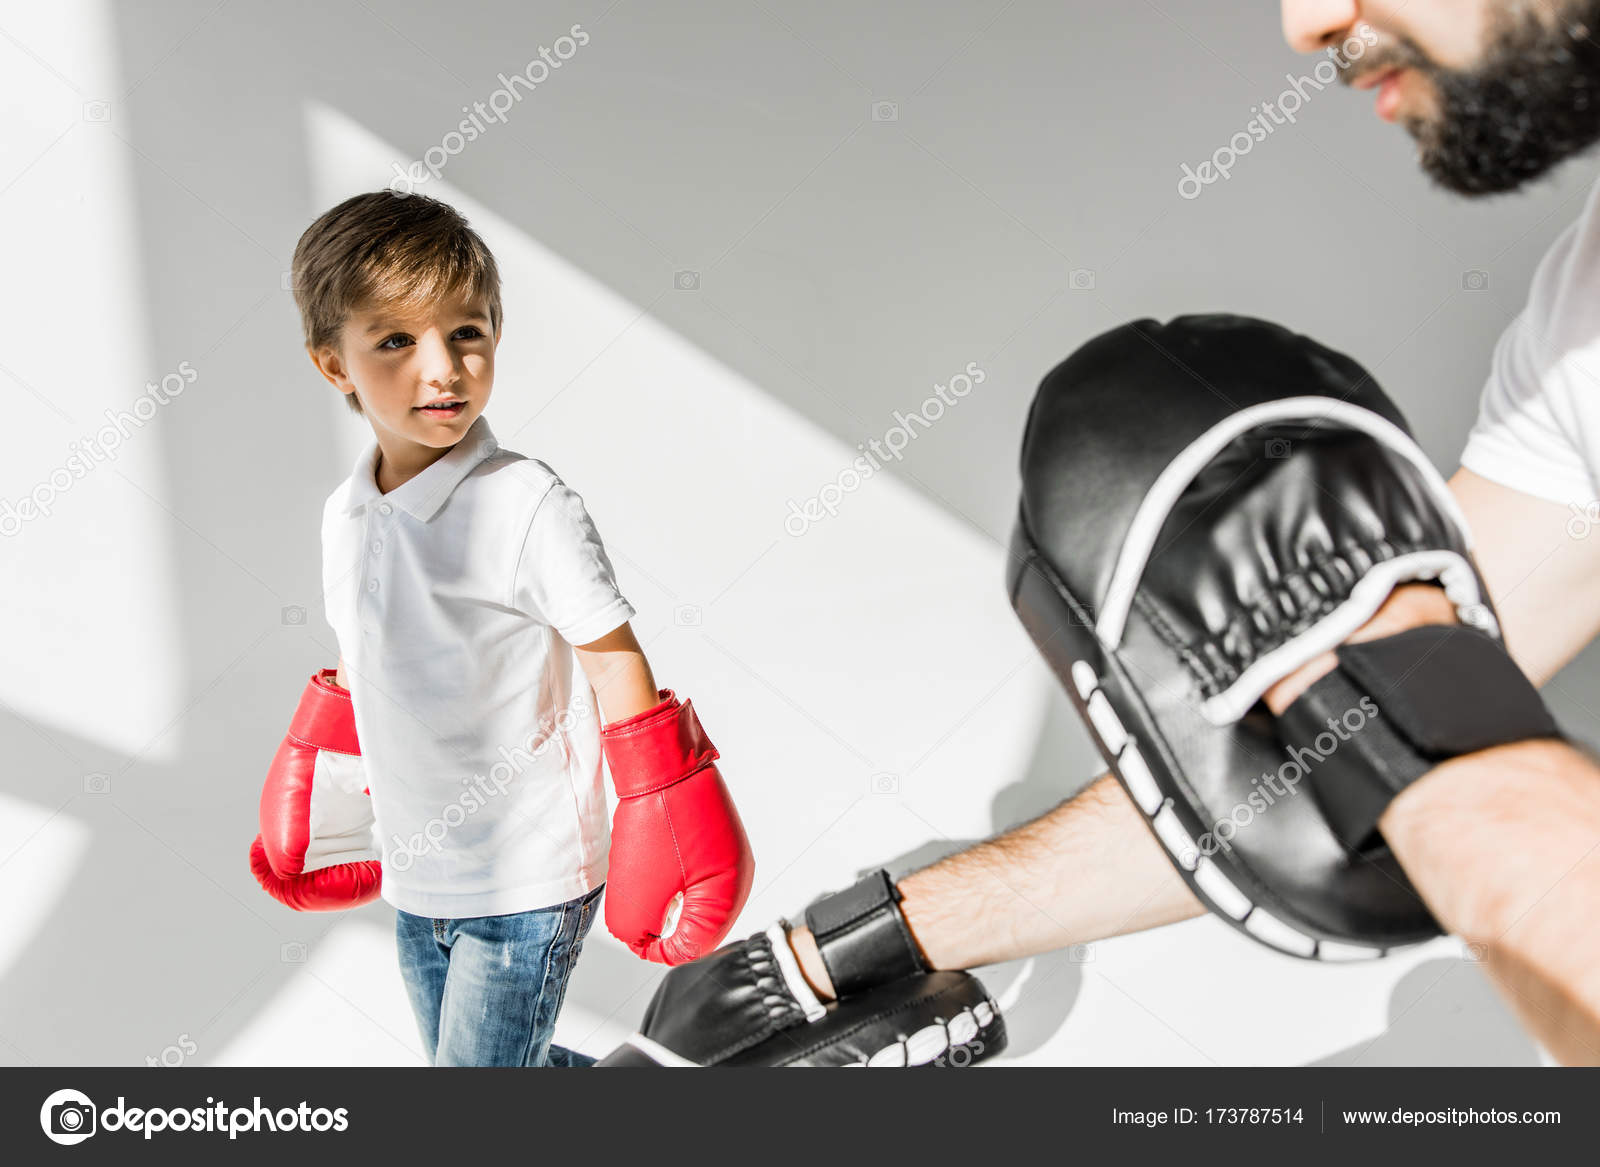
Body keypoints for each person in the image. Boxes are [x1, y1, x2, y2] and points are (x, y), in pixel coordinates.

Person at [610, 0, 1600, 1067]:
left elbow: (1405, 735)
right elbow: (1288, 771)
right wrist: (833, 956)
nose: (1308, 21)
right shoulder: (1578, 334)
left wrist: (1354, 666)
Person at [249, 190, 755, 1067]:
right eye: (397, 342)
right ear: (334, 365)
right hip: (420, 869)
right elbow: (359, 652)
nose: (441, 368)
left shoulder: (526, 504)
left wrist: (658, 807)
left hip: (528, 877)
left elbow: (613, 662)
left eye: (467, 333)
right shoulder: (349, 513)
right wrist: (326, 787)